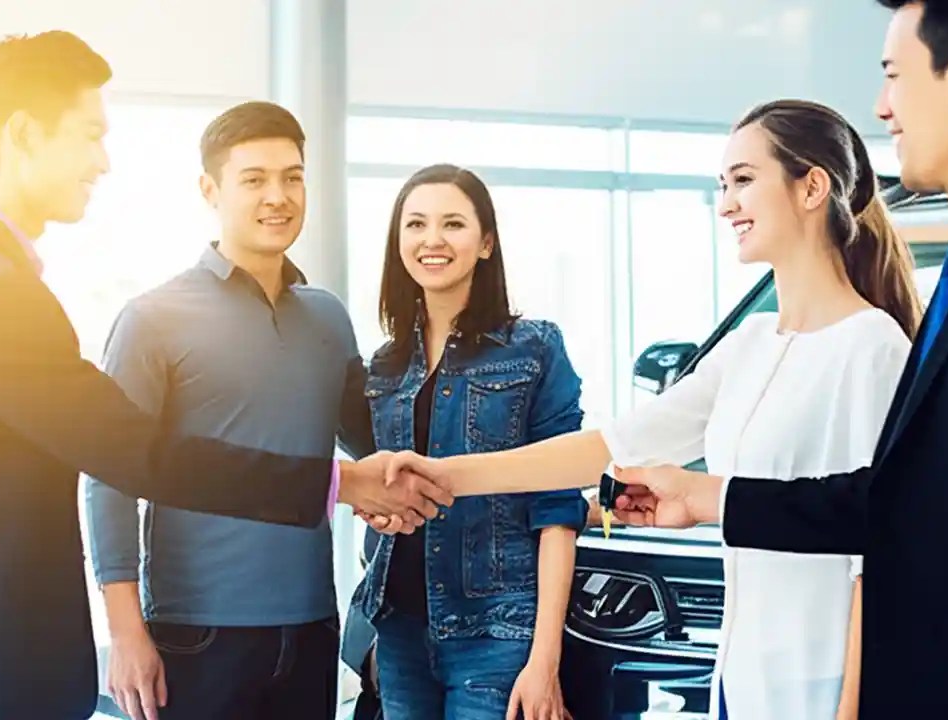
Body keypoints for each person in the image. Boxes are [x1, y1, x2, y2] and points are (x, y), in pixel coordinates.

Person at [406, 1, 948, 718]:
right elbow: (894, 503)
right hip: (739, 685)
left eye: (895, 75)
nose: (882, 107)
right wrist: (443, 477)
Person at [0, 32, 447, 720]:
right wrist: (335, 483)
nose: (102, 161)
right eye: (88, 136)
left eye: (293, 175)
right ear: (24, 133)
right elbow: (131, 454)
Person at [371, 107, 919, 719]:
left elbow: (875, 556)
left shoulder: (873, 347)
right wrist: (444, 476)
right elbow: (610, 444)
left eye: (742, 180)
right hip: (739, 686)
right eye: (722, 186)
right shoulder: (750, 343)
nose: (726, 204)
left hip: (819, 688)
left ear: (812, 187)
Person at [82, 101, 377, 720]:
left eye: (293, 177)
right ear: (210, 190)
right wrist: (127, 633)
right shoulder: (152, 318)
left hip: (312, 625)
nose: (279, 196)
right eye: (255, 180)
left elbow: (374, 449)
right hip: (195, 633)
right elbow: (108, 480)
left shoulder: (329, 317)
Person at [352, 164, 587, 720]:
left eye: (452, 224)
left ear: (485, 243)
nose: (432, 240)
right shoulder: (382, 367)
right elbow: (379, 493)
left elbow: (557, 508)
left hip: (500, 633)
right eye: (415, 225)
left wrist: (544, 659)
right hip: (400, 630)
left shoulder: (534, 349)